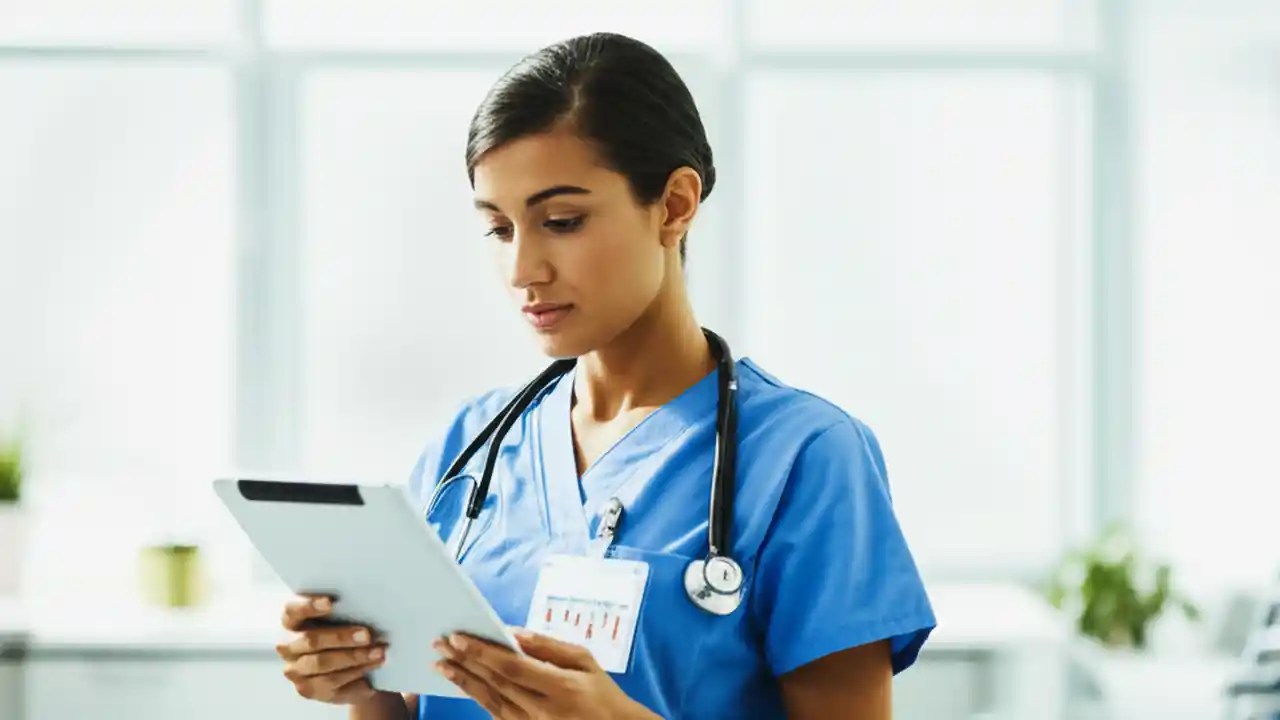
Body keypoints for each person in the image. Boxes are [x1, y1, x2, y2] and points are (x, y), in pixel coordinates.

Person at [274, 31, 936, 720]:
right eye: (500, 229)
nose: (523, 270)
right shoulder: (468, 447)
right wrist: (363, 683)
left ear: (675, 205)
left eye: (562, 221)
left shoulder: (805, 457)